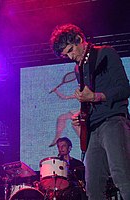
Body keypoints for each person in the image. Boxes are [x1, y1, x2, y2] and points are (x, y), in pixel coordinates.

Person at [50, 24, 130, 199]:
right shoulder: (78, 69)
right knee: (92, 186)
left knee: (122, 177)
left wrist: (95, 97)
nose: (71, 56)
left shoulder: (106, 53)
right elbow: (88, 99)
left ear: (79, 39)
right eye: (66, 54)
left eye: (71, 50)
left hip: (113, 121)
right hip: (93, 129)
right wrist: (82, 115)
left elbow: (124, 89)